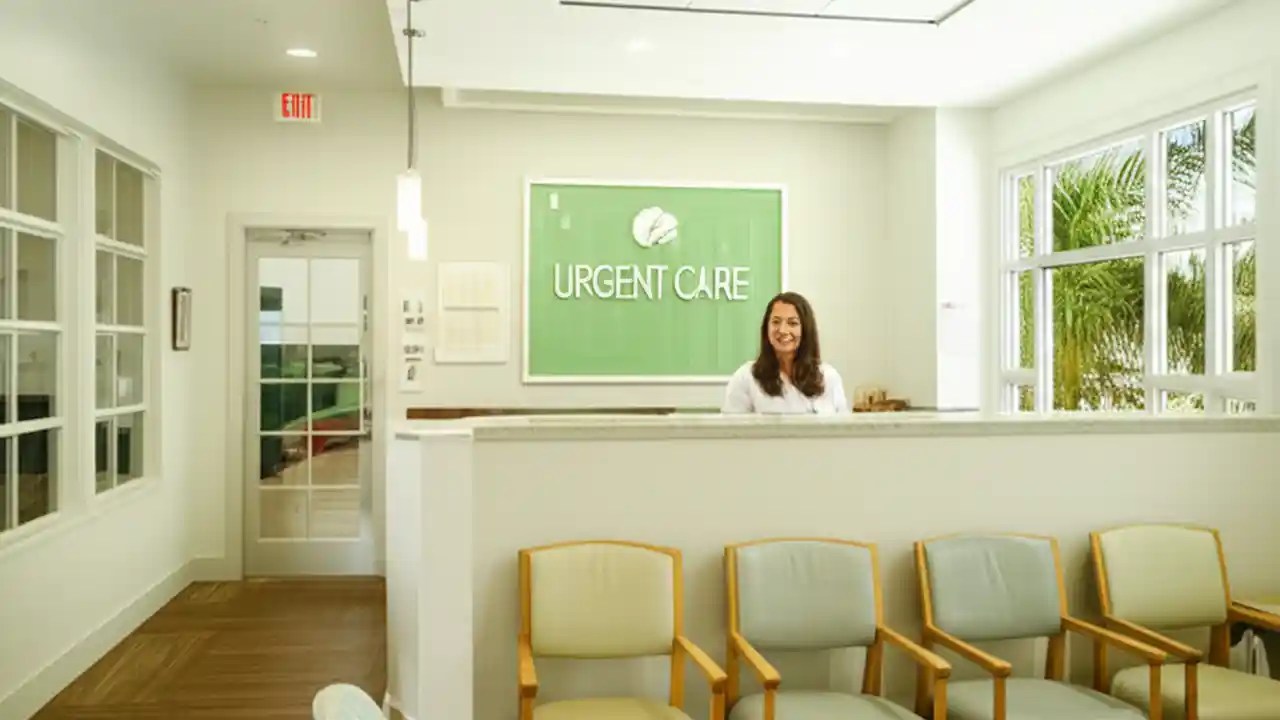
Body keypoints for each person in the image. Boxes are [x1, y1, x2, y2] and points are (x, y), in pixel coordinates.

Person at [721, 291, 850, 415]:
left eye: (792, 323)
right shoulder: (746, 378)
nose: (783, 330)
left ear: (805, 330)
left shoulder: (829, 377)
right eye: (776, 322)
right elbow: (730, 433)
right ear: (766, 328)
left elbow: (843, 431)